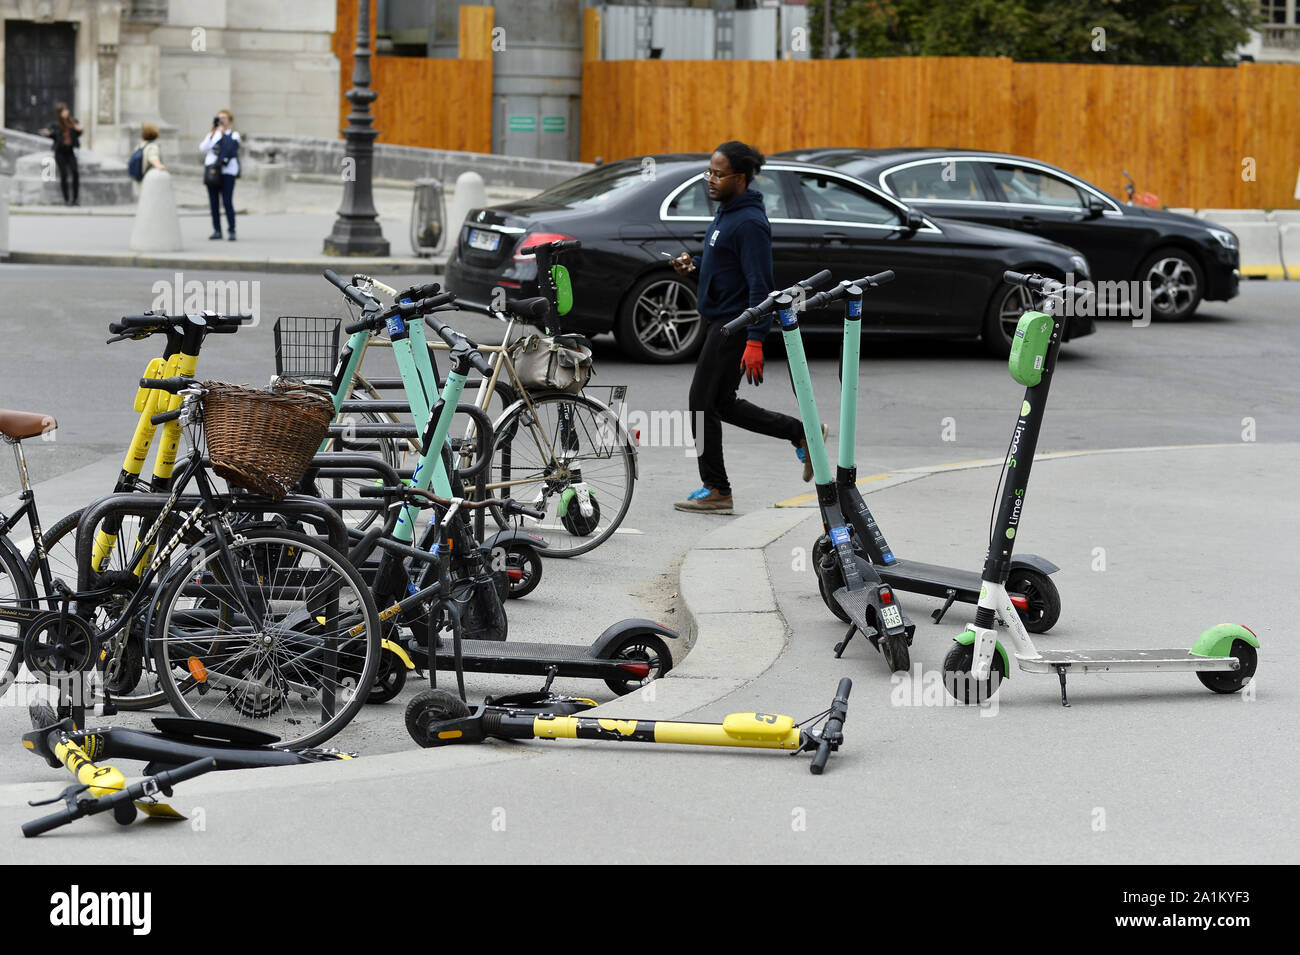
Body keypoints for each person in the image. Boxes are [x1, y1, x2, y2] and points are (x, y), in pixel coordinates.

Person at [672, 141, 823, 515]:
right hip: (720, 320)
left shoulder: (751, 223)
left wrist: (755, 340)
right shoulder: (727, 213)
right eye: (709, 171)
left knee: (700, 405)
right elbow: (725, 262)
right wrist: (696, 264)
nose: (710, 179)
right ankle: (800, 432)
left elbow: (761, 286)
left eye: (718, 174)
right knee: (721, 403)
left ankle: (717, 490)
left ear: (739, 179)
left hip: (733, 325)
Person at [200, 109, 240, 240]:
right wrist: (212, 133)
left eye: (224, 118)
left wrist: (223, 135)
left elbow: (230, 149)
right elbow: (203, 148)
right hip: (213, 171)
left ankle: (232, 230)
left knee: (227, 201)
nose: (221, 120)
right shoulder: (213, 134)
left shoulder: (233, 135)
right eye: (219, 118)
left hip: (228, 172)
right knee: (213, 202)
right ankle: (217, 230)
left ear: (230, 121)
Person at [39, 103, 82, 206]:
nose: (65, 112)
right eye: (63, 111)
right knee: (64, 174)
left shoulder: (73, 122)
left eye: (66, 110)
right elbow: (51, 135)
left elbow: (79, 133)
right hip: (60, 152)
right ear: (59, 113)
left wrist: (79, 129)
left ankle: (75, 199)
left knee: (75, 172)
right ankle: (67, 199)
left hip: (70, 151)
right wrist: (48, 133)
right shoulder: (56, 124)